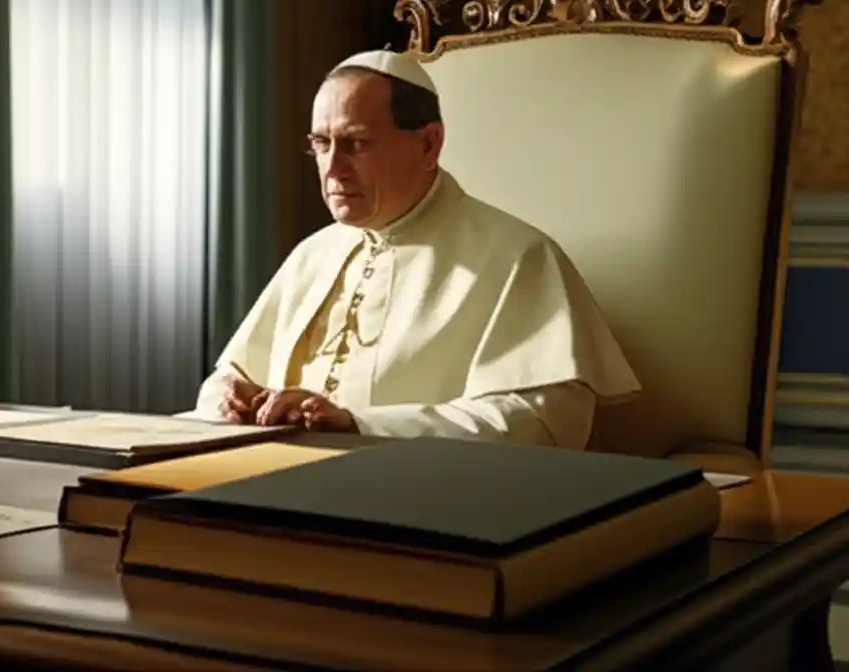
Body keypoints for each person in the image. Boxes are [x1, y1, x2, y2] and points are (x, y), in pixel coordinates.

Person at [189, 49, 641, 450]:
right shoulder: (313, 254)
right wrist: (230, 402)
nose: (332, 169)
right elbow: (230, 377)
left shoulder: (518, 256)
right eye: (321, 145)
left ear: (428, 144)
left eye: (356, 144)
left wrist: (358, 426)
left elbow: (542, 424)